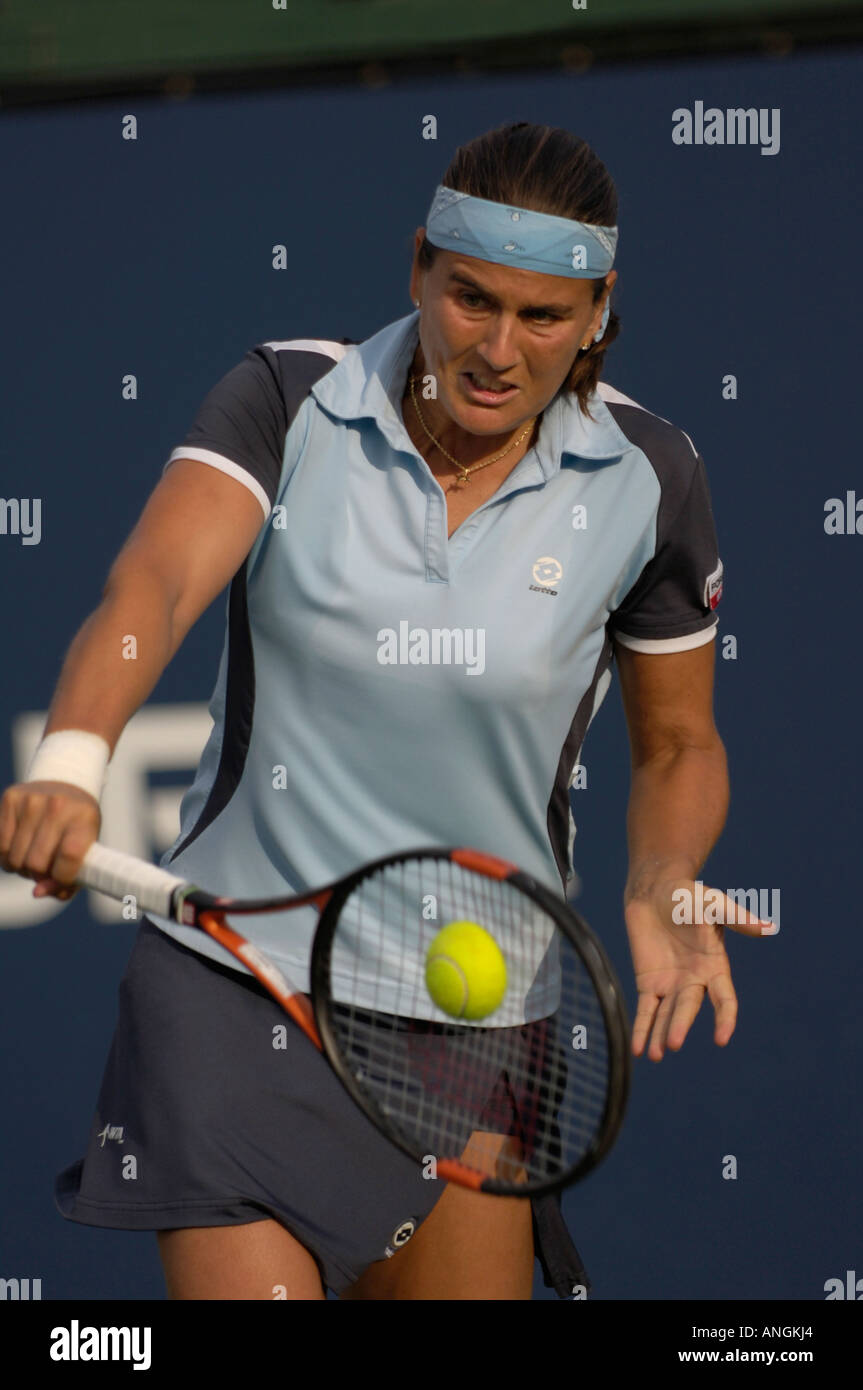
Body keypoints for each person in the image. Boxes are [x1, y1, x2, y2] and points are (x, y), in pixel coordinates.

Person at [0, 121, 769, 1301]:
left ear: (600, 309)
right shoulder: (288, 397)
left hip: (475, 1026)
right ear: (418, 265)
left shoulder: (652, 478)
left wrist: (662, 873)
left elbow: (678, 741)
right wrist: (70, 755)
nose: (498, 348)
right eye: (469, 297)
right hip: (237, 976)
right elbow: (148, 585)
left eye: (544, 316)